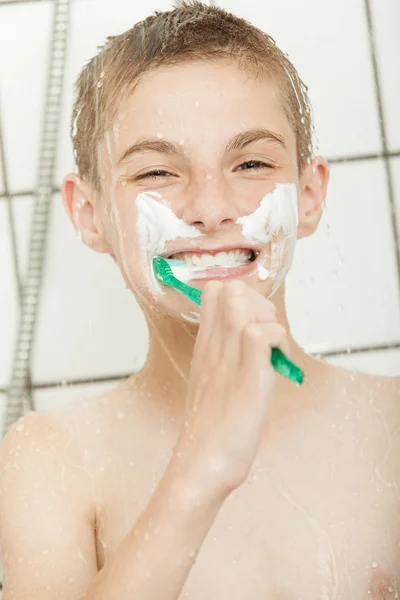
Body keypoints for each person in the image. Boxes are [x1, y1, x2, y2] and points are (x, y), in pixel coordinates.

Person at [1, 1, 399, 598]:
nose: (212, 209)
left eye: (253, 162)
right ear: (90, 215)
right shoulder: (52, 463)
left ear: (310, 194)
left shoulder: (389, 428)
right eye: (158, 173)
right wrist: (200, 468)